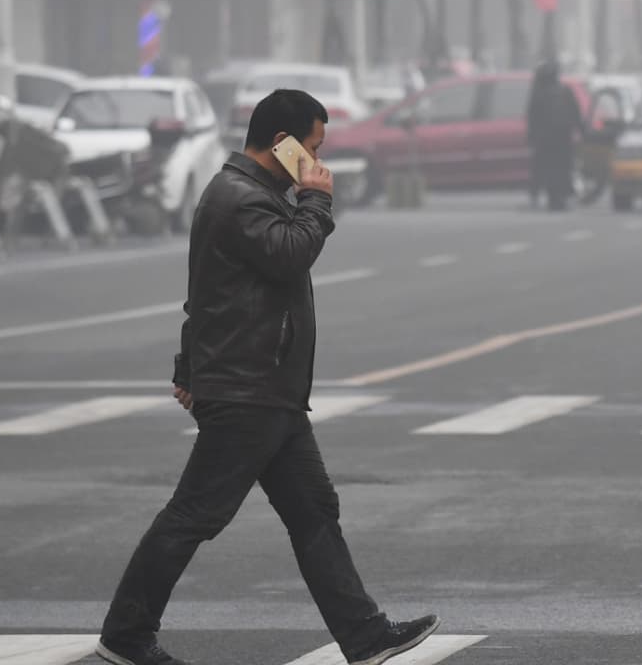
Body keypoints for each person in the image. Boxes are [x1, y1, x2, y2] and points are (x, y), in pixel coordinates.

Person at [97, 89, 439, 665]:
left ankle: (364, 635)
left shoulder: (247, 193)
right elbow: (289, 255)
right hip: (248, 390)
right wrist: (317, 200)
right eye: (312, 148)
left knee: (314, 510)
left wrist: (190, 366)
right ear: (282, 143)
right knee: (194, 515)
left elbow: (209, 295)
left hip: (265, 388)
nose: (317, 161)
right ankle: (126, 635)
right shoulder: (240, 199)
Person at [525, 60, 584, 212]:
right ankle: (562, 197)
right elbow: (576, 113)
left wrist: (531, 137)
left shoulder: (538, 93)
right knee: (563, 168)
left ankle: (549, 197)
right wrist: (582, 130)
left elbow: (532, 117)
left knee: (545, 168)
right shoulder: (565, 91)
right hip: (564, 137)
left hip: (545, 138)